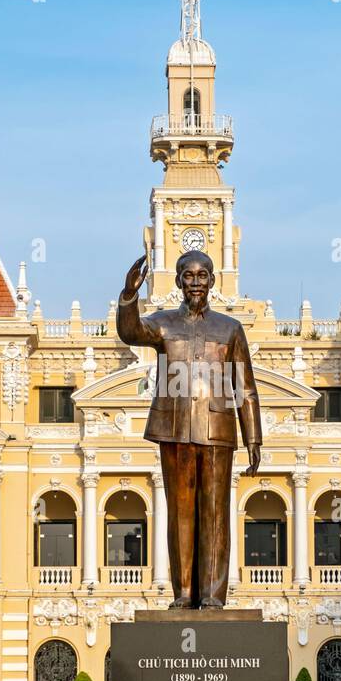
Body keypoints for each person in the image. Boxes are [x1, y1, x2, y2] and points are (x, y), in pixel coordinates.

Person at [116, 251, 262, 608]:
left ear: (212, 281)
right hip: (175, 428)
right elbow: (130, 331)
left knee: (215, 514)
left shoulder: (230, 329)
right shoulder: (163, 323)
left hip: (218, 430)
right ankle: (183, 593)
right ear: (179, 281)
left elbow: (245, 386)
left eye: (202, 276)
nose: (195, 282)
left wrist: (253, 437)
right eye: (188, 276)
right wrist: (129, 295)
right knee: (180, 512)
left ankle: (213, 595)